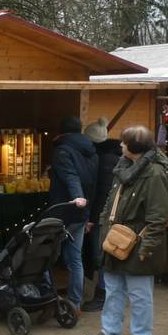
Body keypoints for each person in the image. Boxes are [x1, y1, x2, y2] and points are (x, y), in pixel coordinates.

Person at [83, 126, 168, 335]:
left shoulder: (155, 174)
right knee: (113, 289)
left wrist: (146, 248)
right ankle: (111, 332)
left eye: (124, 142)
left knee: (139, 293)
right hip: (115, 239)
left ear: (134, 147)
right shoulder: (124, 168)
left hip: (138, 242)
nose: (120, 145)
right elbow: (111, 203)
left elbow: (157, 217)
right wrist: (105, 228)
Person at [46, 116, 95, 311]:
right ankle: (75, 302)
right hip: (81, 215)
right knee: (75, 259)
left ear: (62, 132)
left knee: (45, 256)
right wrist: (88, 212)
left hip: (64, 212)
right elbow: (93, 183)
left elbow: (70, 175)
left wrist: (77, 198)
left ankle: (49, 298)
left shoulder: (62, 151)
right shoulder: (92, 152)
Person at [82, 116, 120, 312]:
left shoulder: (102, 161)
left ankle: (104, 293)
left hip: (103, 217)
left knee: (102, 255)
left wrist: (92, 218)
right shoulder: (115, 157)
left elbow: (101, 194)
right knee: (107, 254)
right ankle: (107, 292)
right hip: (114, 215)